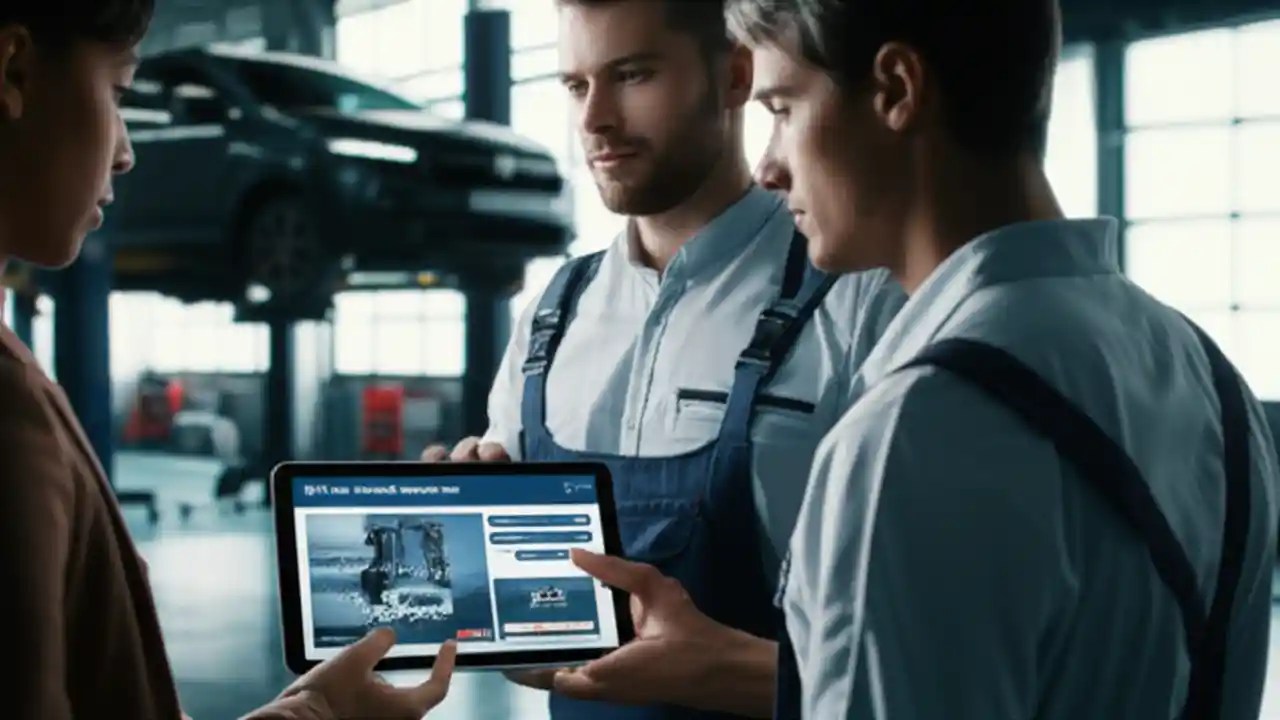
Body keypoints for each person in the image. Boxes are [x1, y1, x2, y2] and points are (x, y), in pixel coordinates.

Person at [559, 0, 1280, 718]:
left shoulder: (916, 426)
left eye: (782, 108)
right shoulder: (1209, 377)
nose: (771, 168)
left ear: (897, 91)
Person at [422, 0, 905, 718]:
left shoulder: (860, 298)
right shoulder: (553, 314)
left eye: (633, 75)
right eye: (577, 86)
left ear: (737, 75)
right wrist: (476, 568)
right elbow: (529, 646)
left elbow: (924, 651)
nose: (595, 121)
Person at [0, 2, 456, 718]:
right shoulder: (8, 409)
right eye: (118, 93)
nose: (126, 150)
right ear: (15, 70)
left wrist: (313, 714)